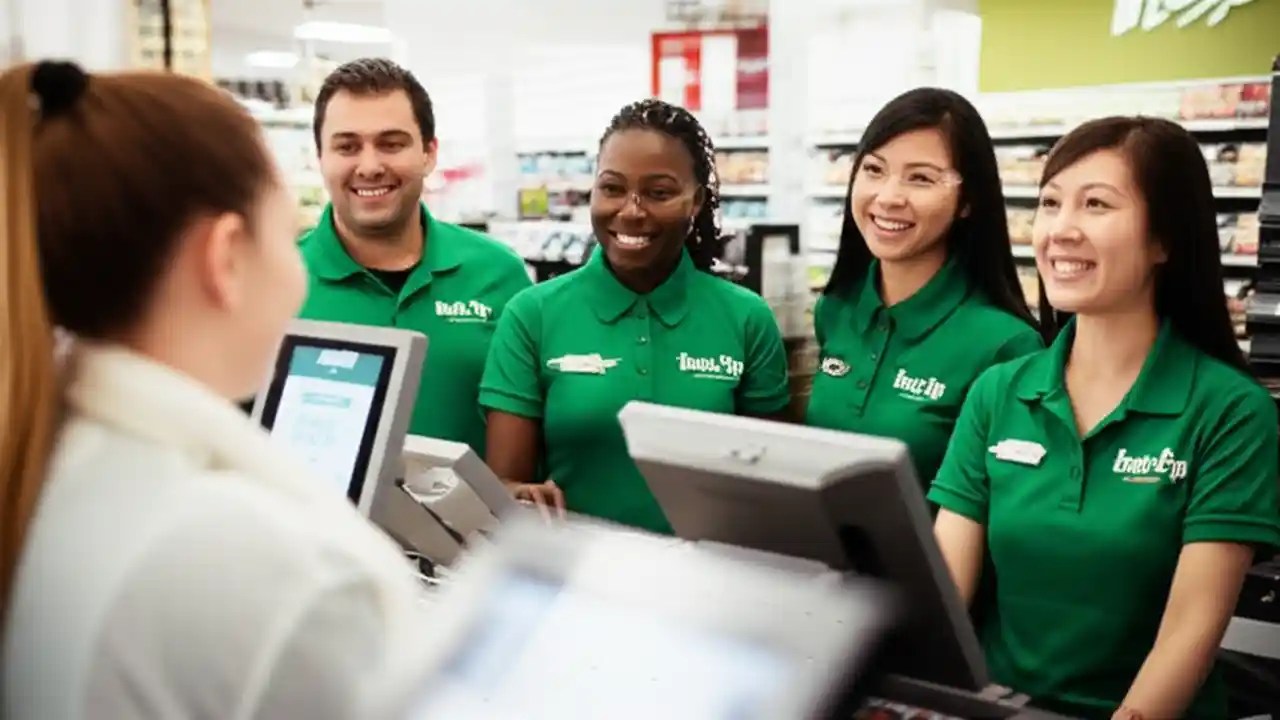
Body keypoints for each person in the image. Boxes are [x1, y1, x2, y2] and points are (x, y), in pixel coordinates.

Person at [1, 61, 432, 719]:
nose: (298, 273)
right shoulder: (283, 573)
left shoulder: (40, 458)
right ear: (225, 257)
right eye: (287, 235)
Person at [929, 116, 1280, 720]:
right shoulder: (997, 392)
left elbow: (1188, 637)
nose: (1061, 230)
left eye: (1096, 204)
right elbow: (944, 597)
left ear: (1164, 239)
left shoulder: (1229, 411)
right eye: (1049, 203)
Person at [479, 98, 791, 534]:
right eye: (612, 188)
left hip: (711, 582)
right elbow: (504, 484)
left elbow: (776, 488)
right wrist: (518, 495)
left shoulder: (746, 318)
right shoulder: (533, 315)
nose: (631, 210)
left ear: (695, 201)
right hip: (575, 581)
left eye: (659, 193)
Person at [803, 87, 1043, 487]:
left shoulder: (1008, 346)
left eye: (920, 178)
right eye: (874, 170)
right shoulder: (836, 310)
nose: (888, 197)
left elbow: (1003, 509)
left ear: (967, 201)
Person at [298, 58, 531, 457]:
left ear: (428, 153)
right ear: (320, 157)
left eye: (391, 143)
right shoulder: (273, 283)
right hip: (317, 520)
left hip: (472, 521)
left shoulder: (499, 275)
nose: (370, 166)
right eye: (347, 146)